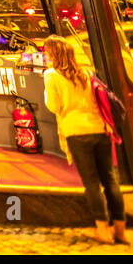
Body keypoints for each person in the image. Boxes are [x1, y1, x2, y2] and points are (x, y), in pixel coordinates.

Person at [43, 34, 127, 245]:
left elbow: (54, 106)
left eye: (47, 52)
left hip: (77, 132)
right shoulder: (86, 73)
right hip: (99, 129)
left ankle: (102, 230)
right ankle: (120, 230)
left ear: (53, 54)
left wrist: (46, 94)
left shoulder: (51, 75)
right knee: (110, 180)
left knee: (91, 183)